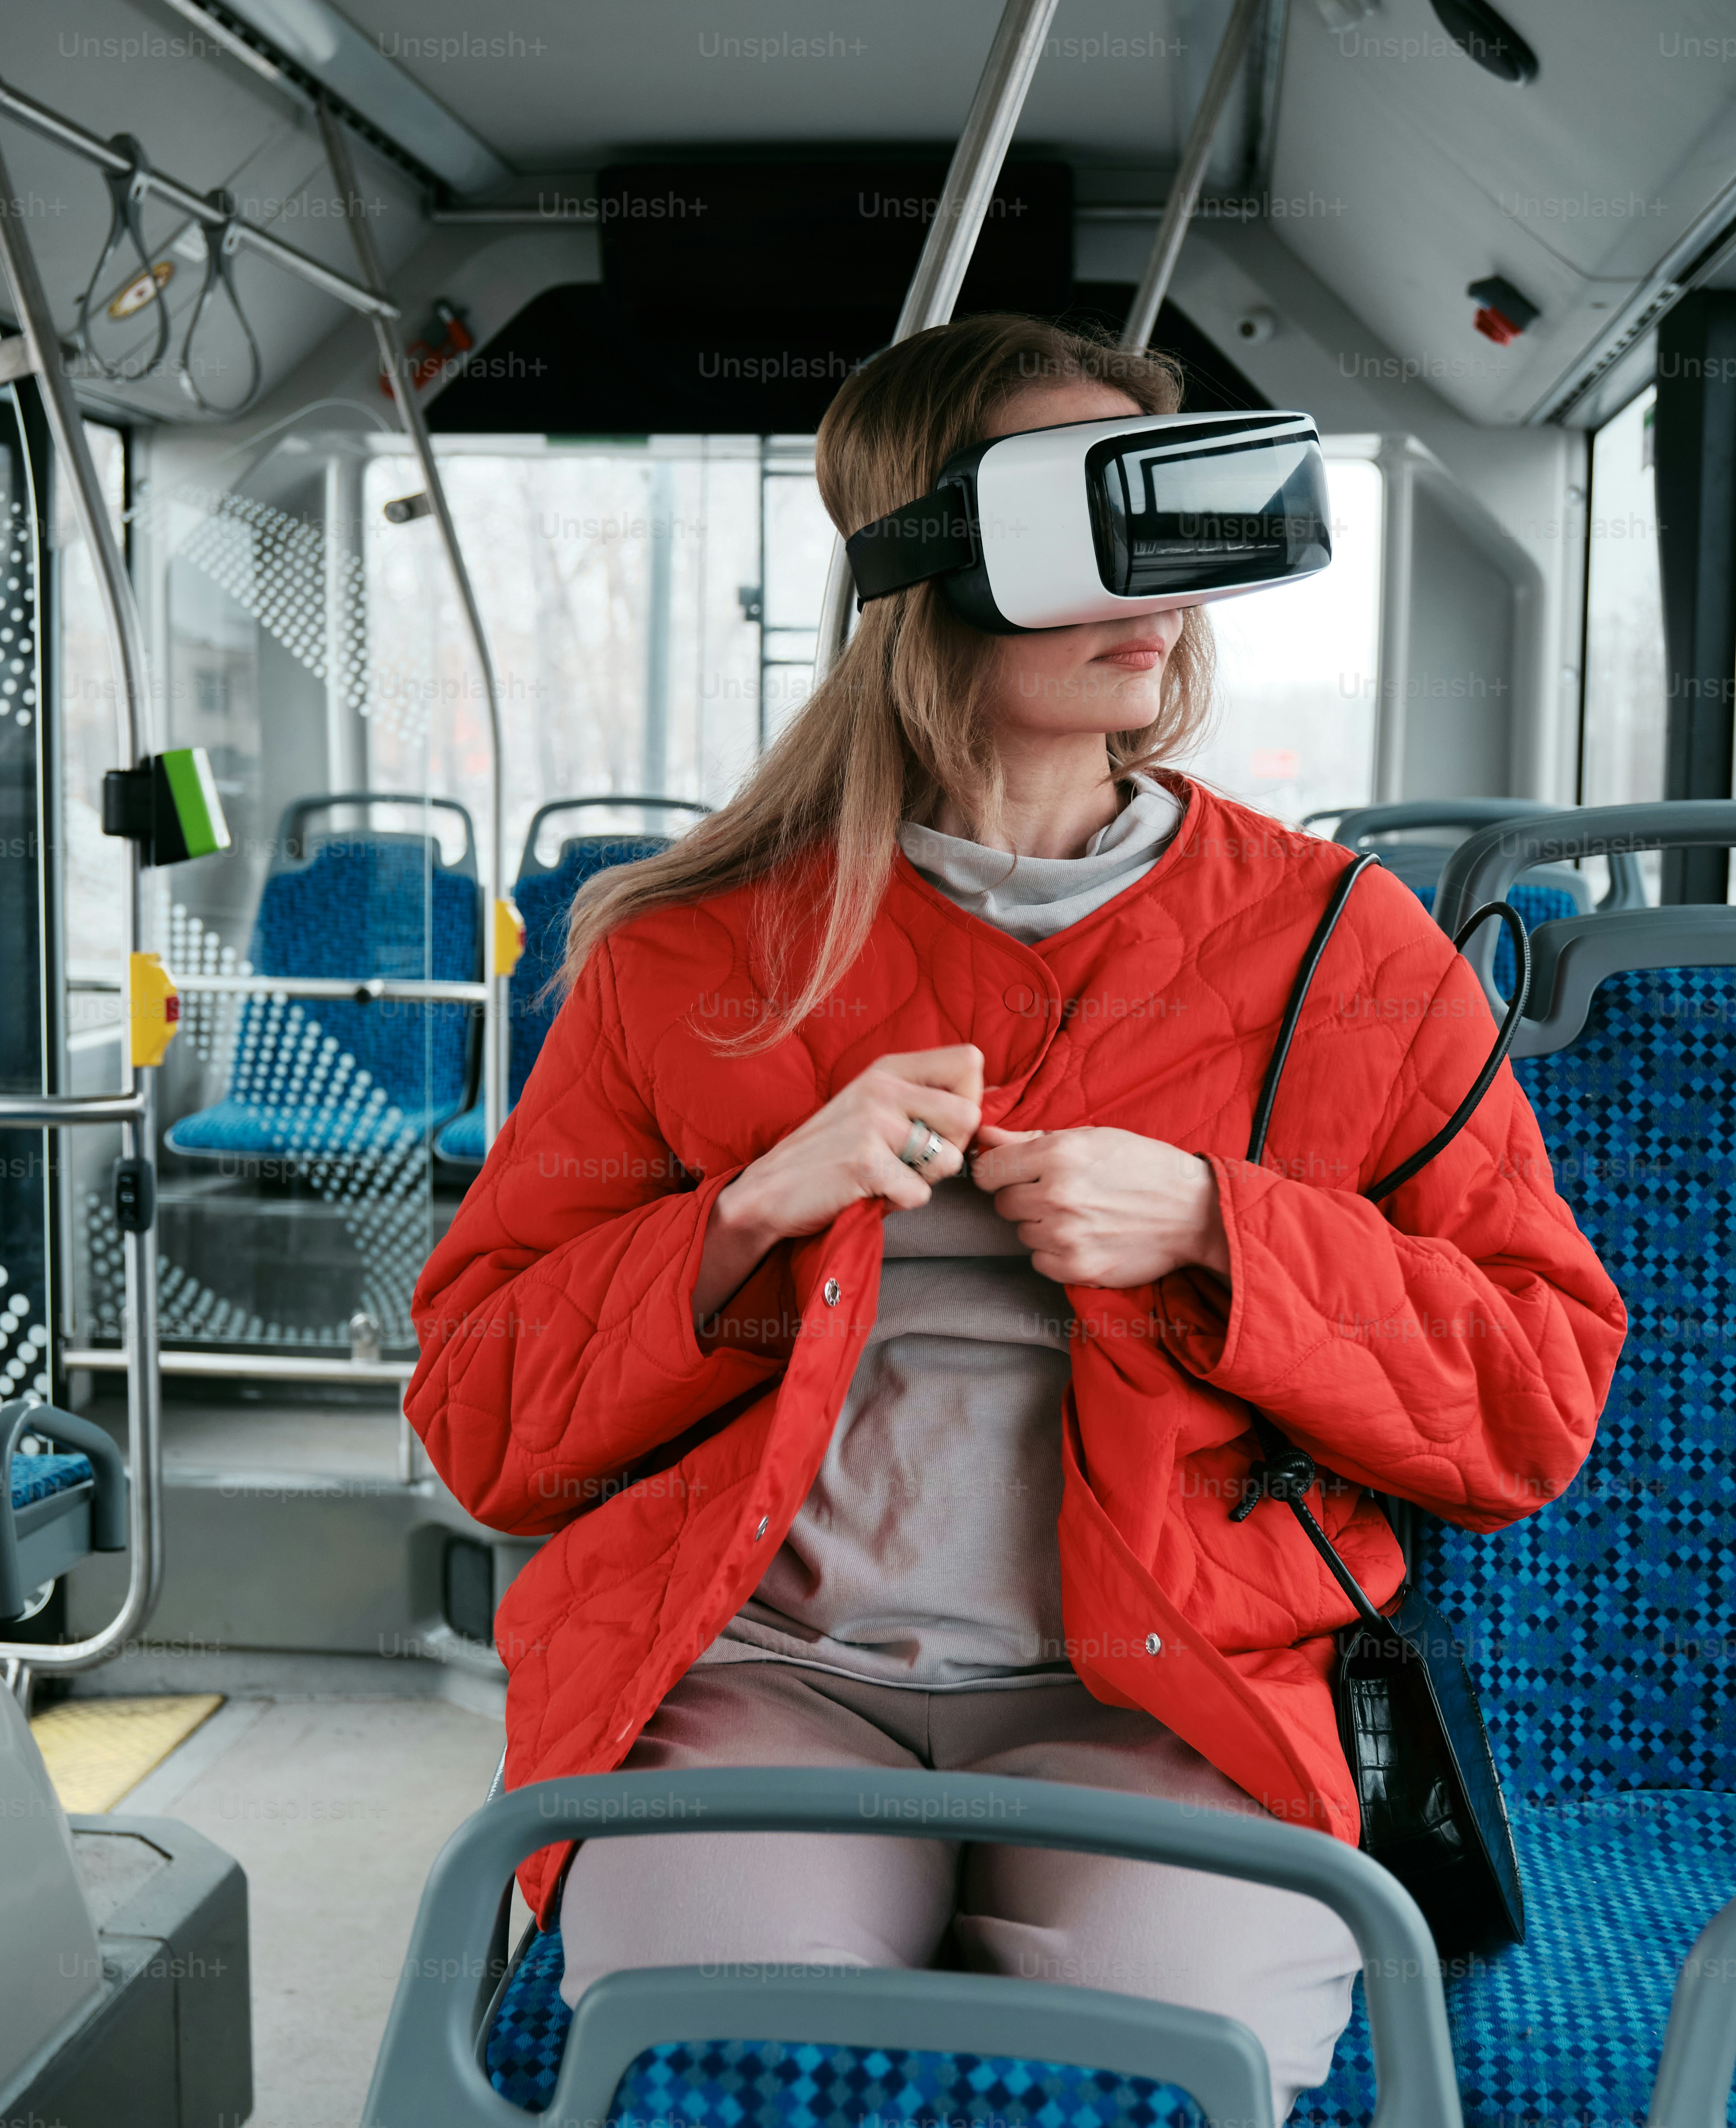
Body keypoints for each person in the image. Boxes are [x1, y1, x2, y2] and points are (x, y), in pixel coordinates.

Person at [407, 312, 1625, 2122]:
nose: (1164, 604)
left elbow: (1532, 1391)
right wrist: (742, 1218)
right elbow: (484, 1420)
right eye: (1091, 537)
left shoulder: (1339, 952)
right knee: (722, 2060)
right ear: (931, 562)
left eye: (1179, 545)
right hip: (764, 1681)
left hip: (1177, 1695)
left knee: (1164, 2068)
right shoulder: (687, 957)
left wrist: (1231, 1229)